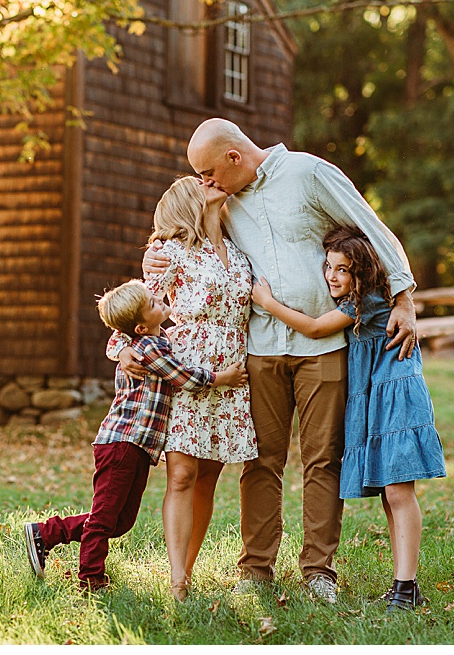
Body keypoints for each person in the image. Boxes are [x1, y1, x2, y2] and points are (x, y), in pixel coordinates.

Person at [128, 118, 418, 604]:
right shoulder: (224, 200)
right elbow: (184, 231)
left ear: (234, 157)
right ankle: (256, 569)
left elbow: (371, 228)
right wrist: (154, 254)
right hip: (259, 348)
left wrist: (404, 298)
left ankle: (318, 571)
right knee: (261, 462)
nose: (204, 182)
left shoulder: (307, 173)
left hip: (324, 345)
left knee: (323, 460)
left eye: (208, 172)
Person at [251, 225, 446, 611]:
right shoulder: (360, 298)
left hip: (394, 389)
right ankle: (404, 585)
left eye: (343, 269)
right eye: (328, 266)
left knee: (397, 490)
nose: (331, 276)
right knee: (390, 492)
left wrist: (268, 303)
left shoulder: (366, 301)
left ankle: (406, 586)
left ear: (363, 272)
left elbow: (314, 328)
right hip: (375, 390)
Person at [23, 279, 247, 592]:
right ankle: (90, 580)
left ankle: (45, 533)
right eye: (152, 303)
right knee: (105, 518)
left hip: (139, 447)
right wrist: (223, 378)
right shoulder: (149, 349)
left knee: (121, 521)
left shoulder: (158, 338)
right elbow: (183, 377)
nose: (159, 298)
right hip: (122, 443)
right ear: (140, 327)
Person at [108, 176, 258, 601]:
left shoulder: (241, 252)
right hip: (185, 367)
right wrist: (121, 350)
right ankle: (176, 580)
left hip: (231, 370)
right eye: (200, 182)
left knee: (208, 477)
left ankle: (187, 571)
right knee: (182, 474)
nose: (210, 182)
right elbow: (135, 312)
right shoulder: (170, 253)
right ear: (186, 201)